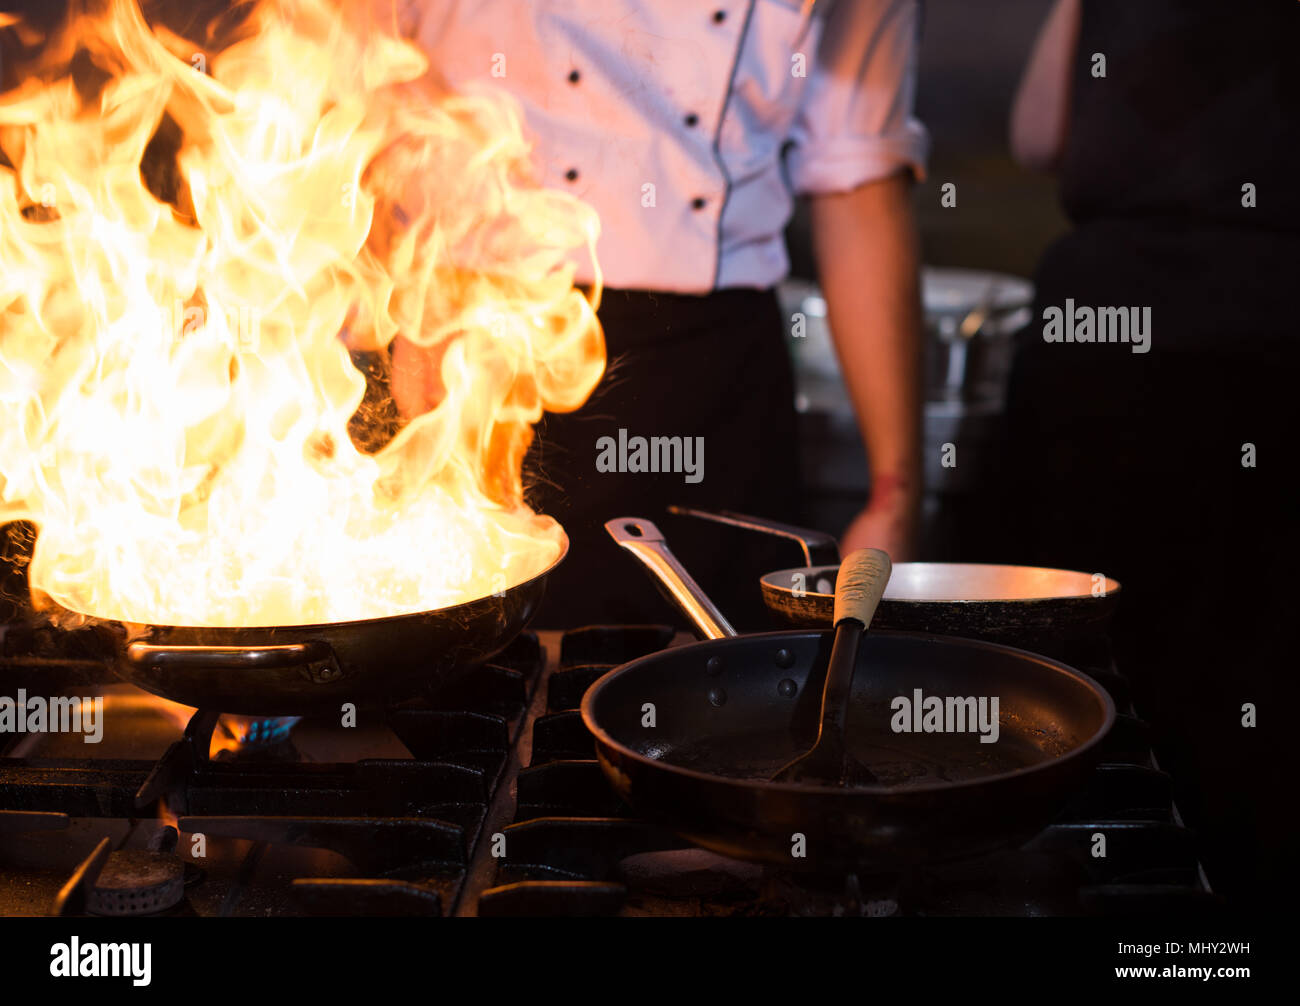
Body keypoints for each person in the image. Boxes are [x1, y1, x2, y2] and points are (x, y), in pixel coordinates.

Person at [388, 0, 928, 626]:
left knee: (720, 690)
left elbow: (857, 173)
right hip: (461, 345)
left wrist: (897, 490)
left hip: (704, 388)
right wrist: (416, 285)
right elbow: (341, 67)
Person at [1008, 0, 1299, 909]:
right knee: (1258, 691)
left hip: (1101, 337)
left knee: (1068, 673)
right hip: (1270, 335)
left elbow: (1034, 135)